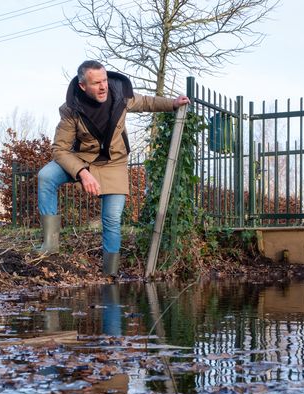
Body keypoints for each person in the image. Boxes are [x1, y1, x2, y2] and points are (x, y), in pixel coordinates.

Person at [37, 60, 190, 276]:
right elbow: (60, 149)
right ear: (83, 86)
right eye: (96, 83)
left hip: (113, 163)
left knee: (112, 218)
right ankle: (50, 245)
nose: (103, 87)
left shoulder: (120, 96)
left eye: (105, 80)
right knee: (45, 176)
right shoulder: (71, 110)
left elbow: (146, 102)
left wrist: (172, 103)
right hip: (83, 160)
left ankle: (111, 274)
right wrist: (82, 173)